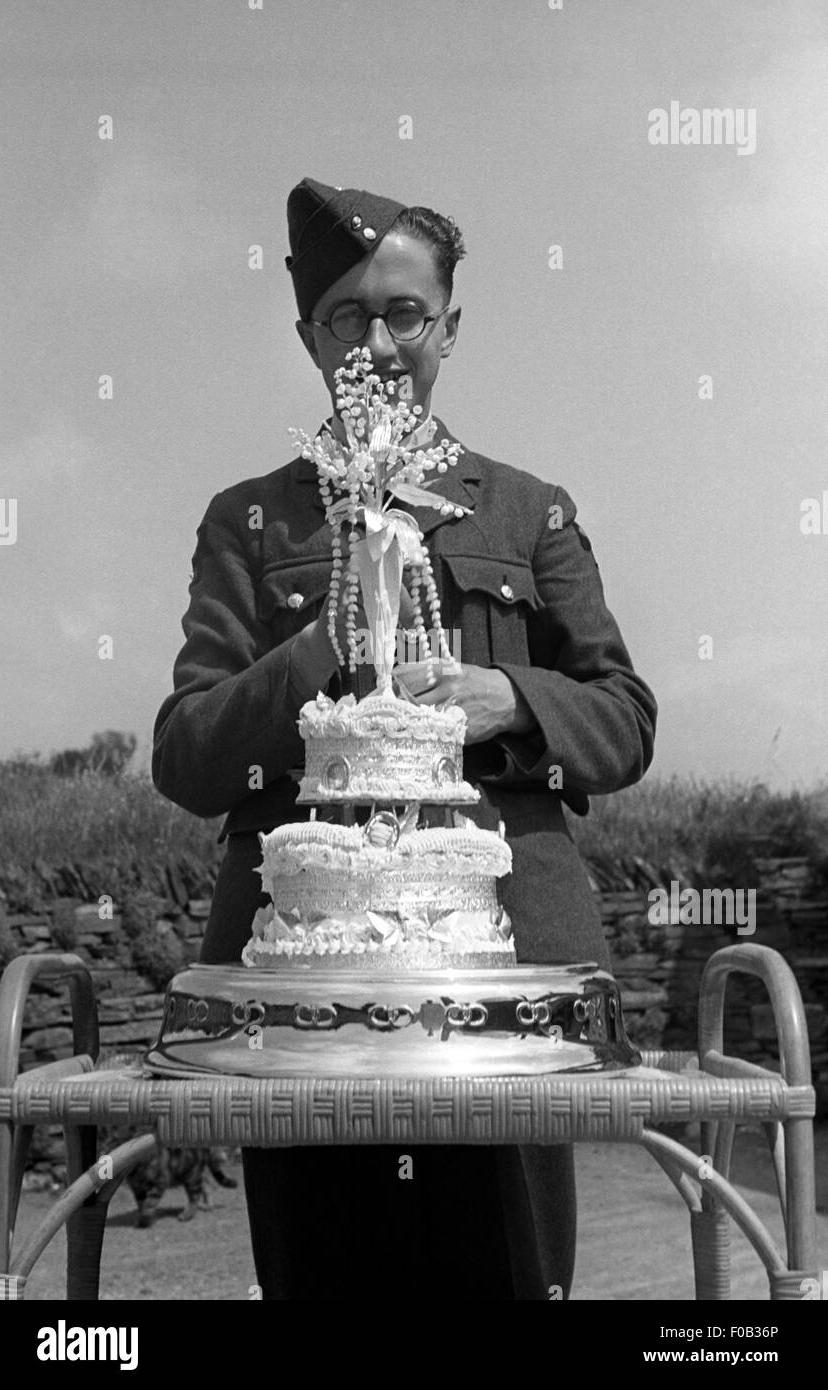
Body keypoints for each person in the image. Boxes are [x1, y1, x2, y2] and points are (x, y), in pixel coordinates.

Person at [152, 176, 657, 1299]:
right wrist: (312, 659)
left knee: (514, 1278)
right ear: (306, 335)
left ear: (449, 327)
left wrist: (511, 700)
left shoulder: (529, 511)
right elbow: (187, 756)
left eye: (404, 314)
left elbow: (624, 720)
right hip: (299, 1020)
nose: (377, 344)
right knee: (322, 1278)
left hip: (505, 1005)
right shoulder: (251, 521)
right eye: (345, 318)